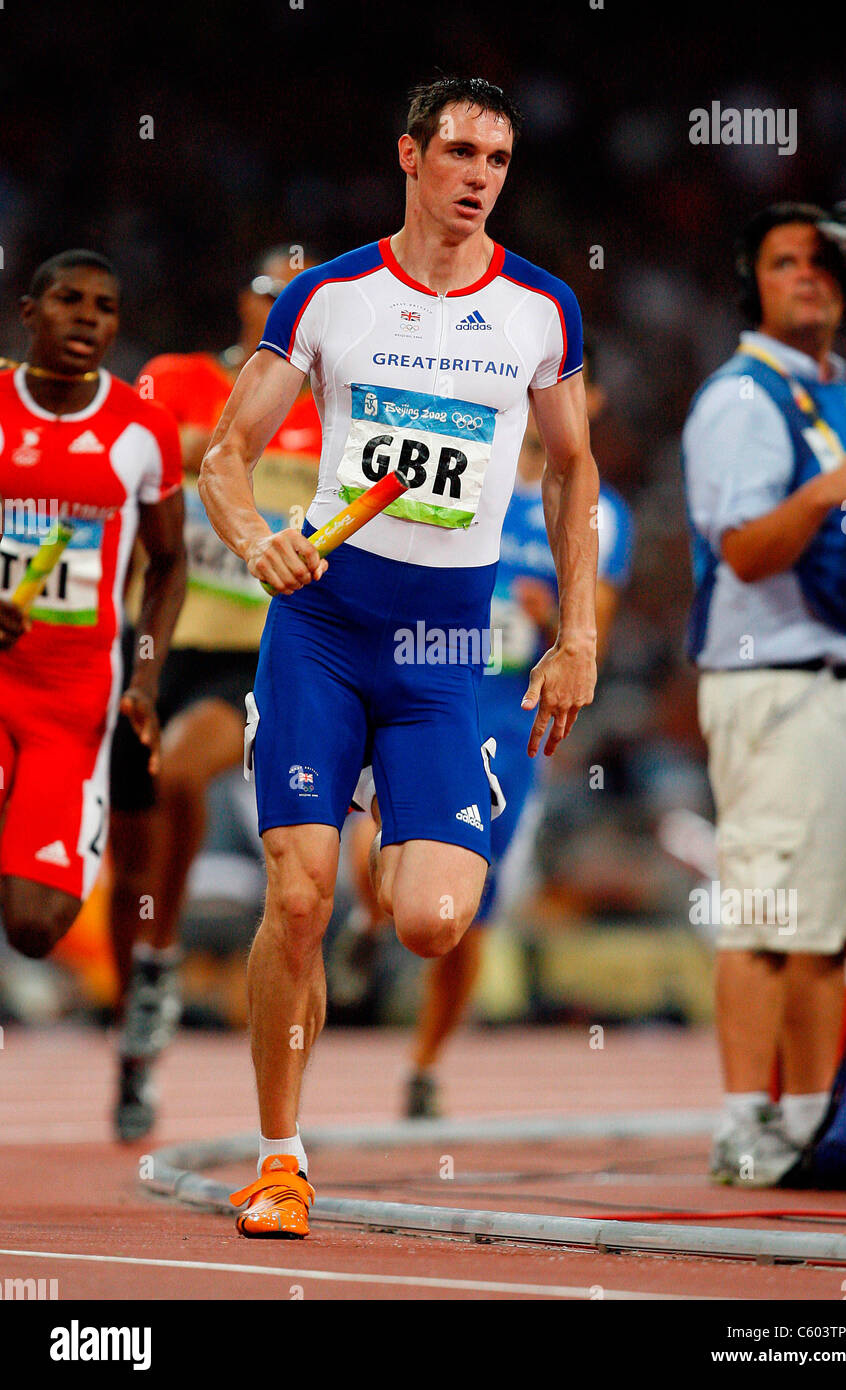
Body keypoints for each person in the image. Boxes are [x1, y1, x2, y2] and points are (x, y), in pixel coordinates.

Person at [199, 75, 600, 1239]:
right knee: (298, 893)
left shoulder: (539, 307)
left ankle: (405, 821)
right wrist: (252, 538)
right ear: (410, 157)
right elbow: (226, 453)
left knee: (427, 920)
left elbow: (573, 472)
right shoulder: (328, 296)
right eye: (461, 153)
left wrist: (576, 636)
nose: (479, 178)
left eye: (498, 160)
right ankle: (281, 1159)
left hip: (441, 657)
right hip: (320, 634)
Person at [331, 385, 634, 1120]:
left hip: (512, 717)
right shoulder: (469, 464)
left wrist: (562, 616)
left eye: (587, 391)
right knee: (378, 833)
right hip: (431, 682)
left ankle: (425, 1063)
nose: (571, 401)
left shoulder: (602, 509)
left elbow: (602, 625)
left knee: (469, 910)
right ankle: (371, 919)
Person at [682, 203, 846, 1186]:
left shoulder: (840, 397)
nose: (807, 276)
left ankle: (810, 1127)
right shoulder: (740, 398)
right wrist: (828, 489)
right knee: (764, 915)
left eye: (820, 262)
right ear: (750, 284)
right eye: (782, 262)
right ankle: (739, 1125)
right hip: (778, 683)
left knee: (828, 928)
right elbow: (740, 547)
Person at [107, 249, 323, 1141]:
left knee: (181, 768)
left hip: (247, 647)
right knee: (127, 851)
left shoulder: (329, 406)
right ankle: (138, 1008)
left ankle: (159, 955)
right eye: (267, 289)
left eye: (295, 295)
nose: (277, 304)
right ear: (243, 299)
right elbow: (148, 456)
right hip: (153, 632)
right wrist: (206, 448)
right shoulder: (179, 376)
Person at [0, 250, 185, 964]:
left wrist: (144, 679)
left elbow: (170, 565)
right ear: (28, 312)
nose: (87, 316)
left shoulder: (143, 428)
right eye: (69, 300)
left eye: (104, 307)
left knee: (35, 928)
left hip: (74, 704)